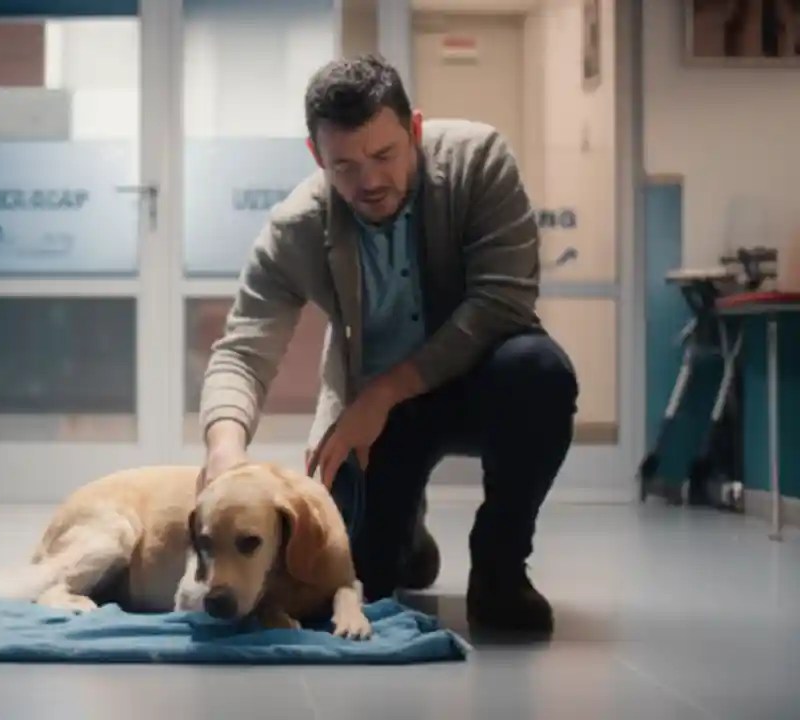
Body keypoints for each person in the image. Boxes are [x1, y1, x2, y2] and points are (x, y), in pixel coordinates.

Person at [196, 54, 578, 635]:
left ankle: (501, 565)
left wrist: (384, 393)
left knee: (541, 372)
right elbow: (244, 349)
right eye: (344, 166)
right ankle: (405, 538)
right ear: (316, 157)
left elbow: (504, 302)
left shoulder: (480, 160)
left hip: (478, 377)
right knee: (361, 577)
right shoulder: (296, 225)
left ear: (415, 130)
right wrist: (224, 452)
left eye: (384, 155)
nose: (369, 181)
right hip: (378, 421)